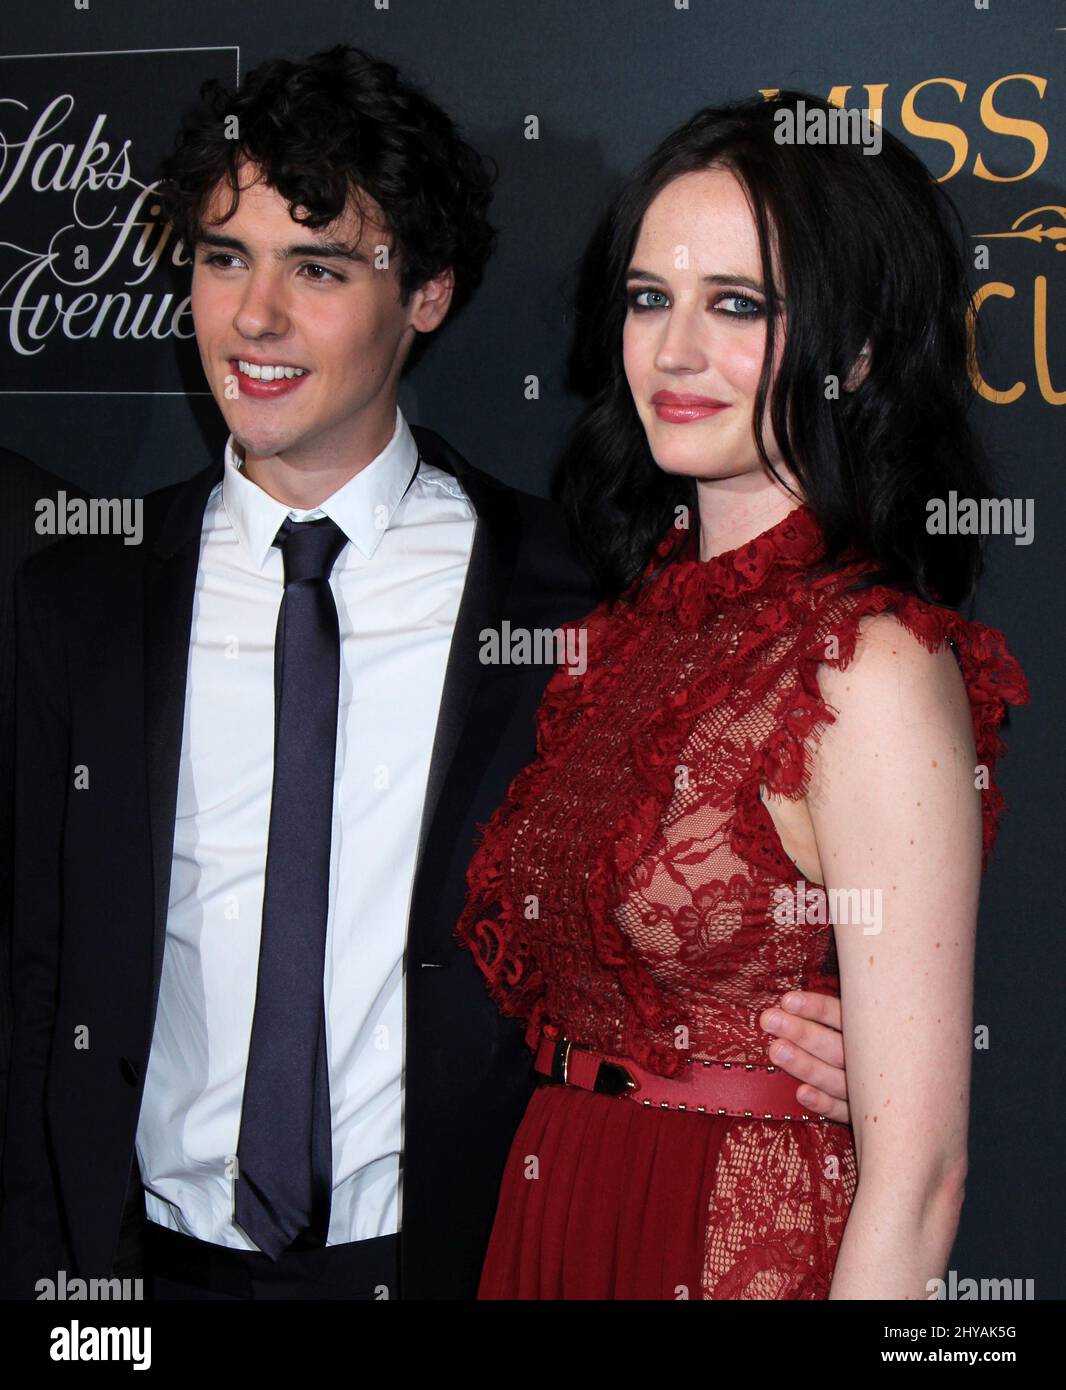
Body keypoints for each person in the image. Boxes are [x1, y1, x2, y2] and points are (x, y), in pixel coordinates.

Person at [0, 51, 852, 1303]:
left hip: (464, 1258)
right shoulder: (81, 599)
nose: (255, 318)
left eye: (321, 267)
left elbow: (691, 890)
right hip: (139, 1276)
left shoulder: (581, 595)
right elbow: (36, 979)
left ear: (430, 295)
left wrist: (832, 1038)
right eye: (225, 256)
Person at [455, 91, 1029, 1299]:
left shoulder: (866, 664)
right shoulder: (633, 626)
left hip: (731, 1245)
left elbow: (920, 1181)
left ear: (858, 346)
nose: (671, 351)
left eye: (738, 306)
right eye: (651, 298)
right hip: (565, 1203)